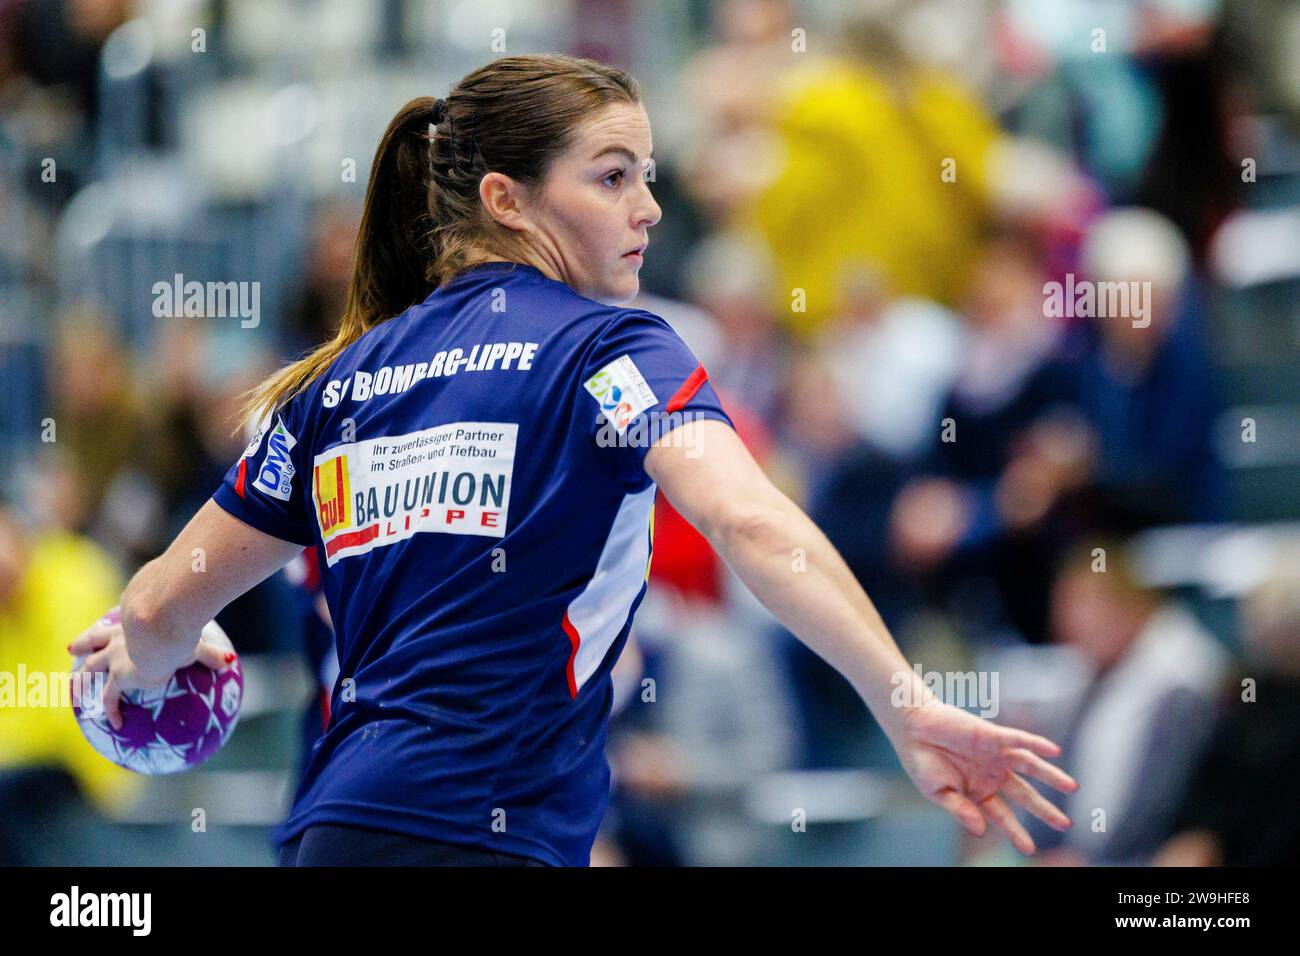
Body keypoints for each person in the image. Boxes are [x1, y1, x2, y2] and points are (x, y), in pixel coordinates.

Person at [70, 54, 1077, 867]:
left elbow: (157, 611)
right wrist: (905, 702)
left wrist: (142, 670)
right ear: (506, 199)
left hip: (340, 823)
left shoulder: (335, 383)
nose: (649, 208)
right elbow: (751, 521)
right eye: (611, 176)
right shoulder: (610, 352)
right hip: (485, 833)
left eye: (647, 175)